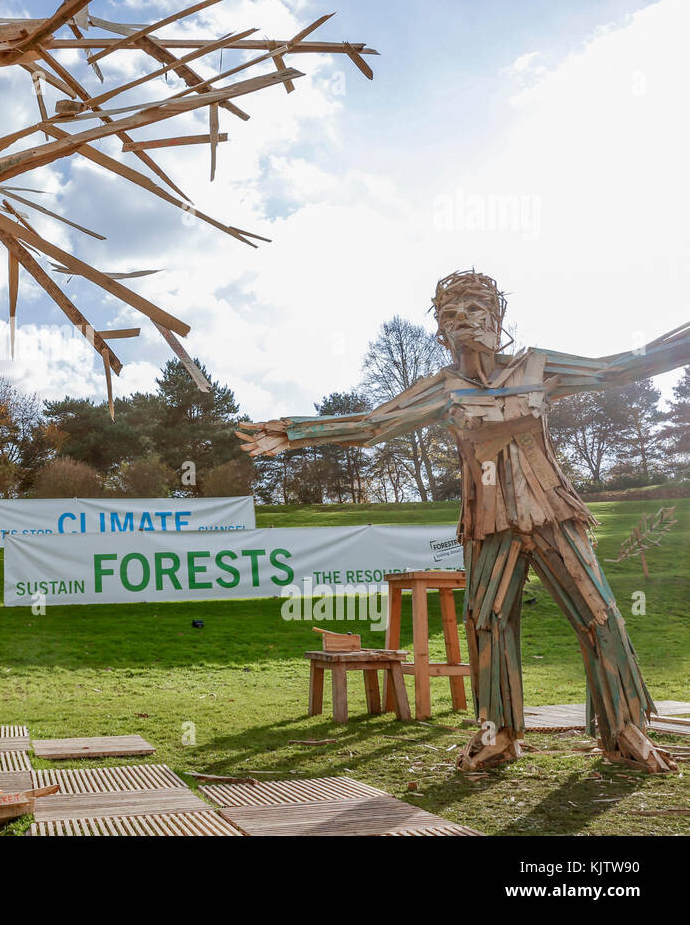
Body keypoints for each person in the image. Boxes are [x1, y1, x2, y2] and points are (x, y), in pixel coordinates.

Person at [237, 270, 689, 772]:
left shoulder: (537, 365)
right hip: (487, 521)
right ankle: (498, 735)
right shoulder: (442, 388)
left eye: (476, 310)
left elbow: (617, 369)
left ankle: (625, 731)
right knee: (487, 624)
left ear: (498, 318)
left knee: (599, 614)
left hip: (552, 512)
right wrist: (296, 432)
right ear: (440, 331)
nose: (466, 322)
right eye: (452, 316)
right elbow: (373, 425)